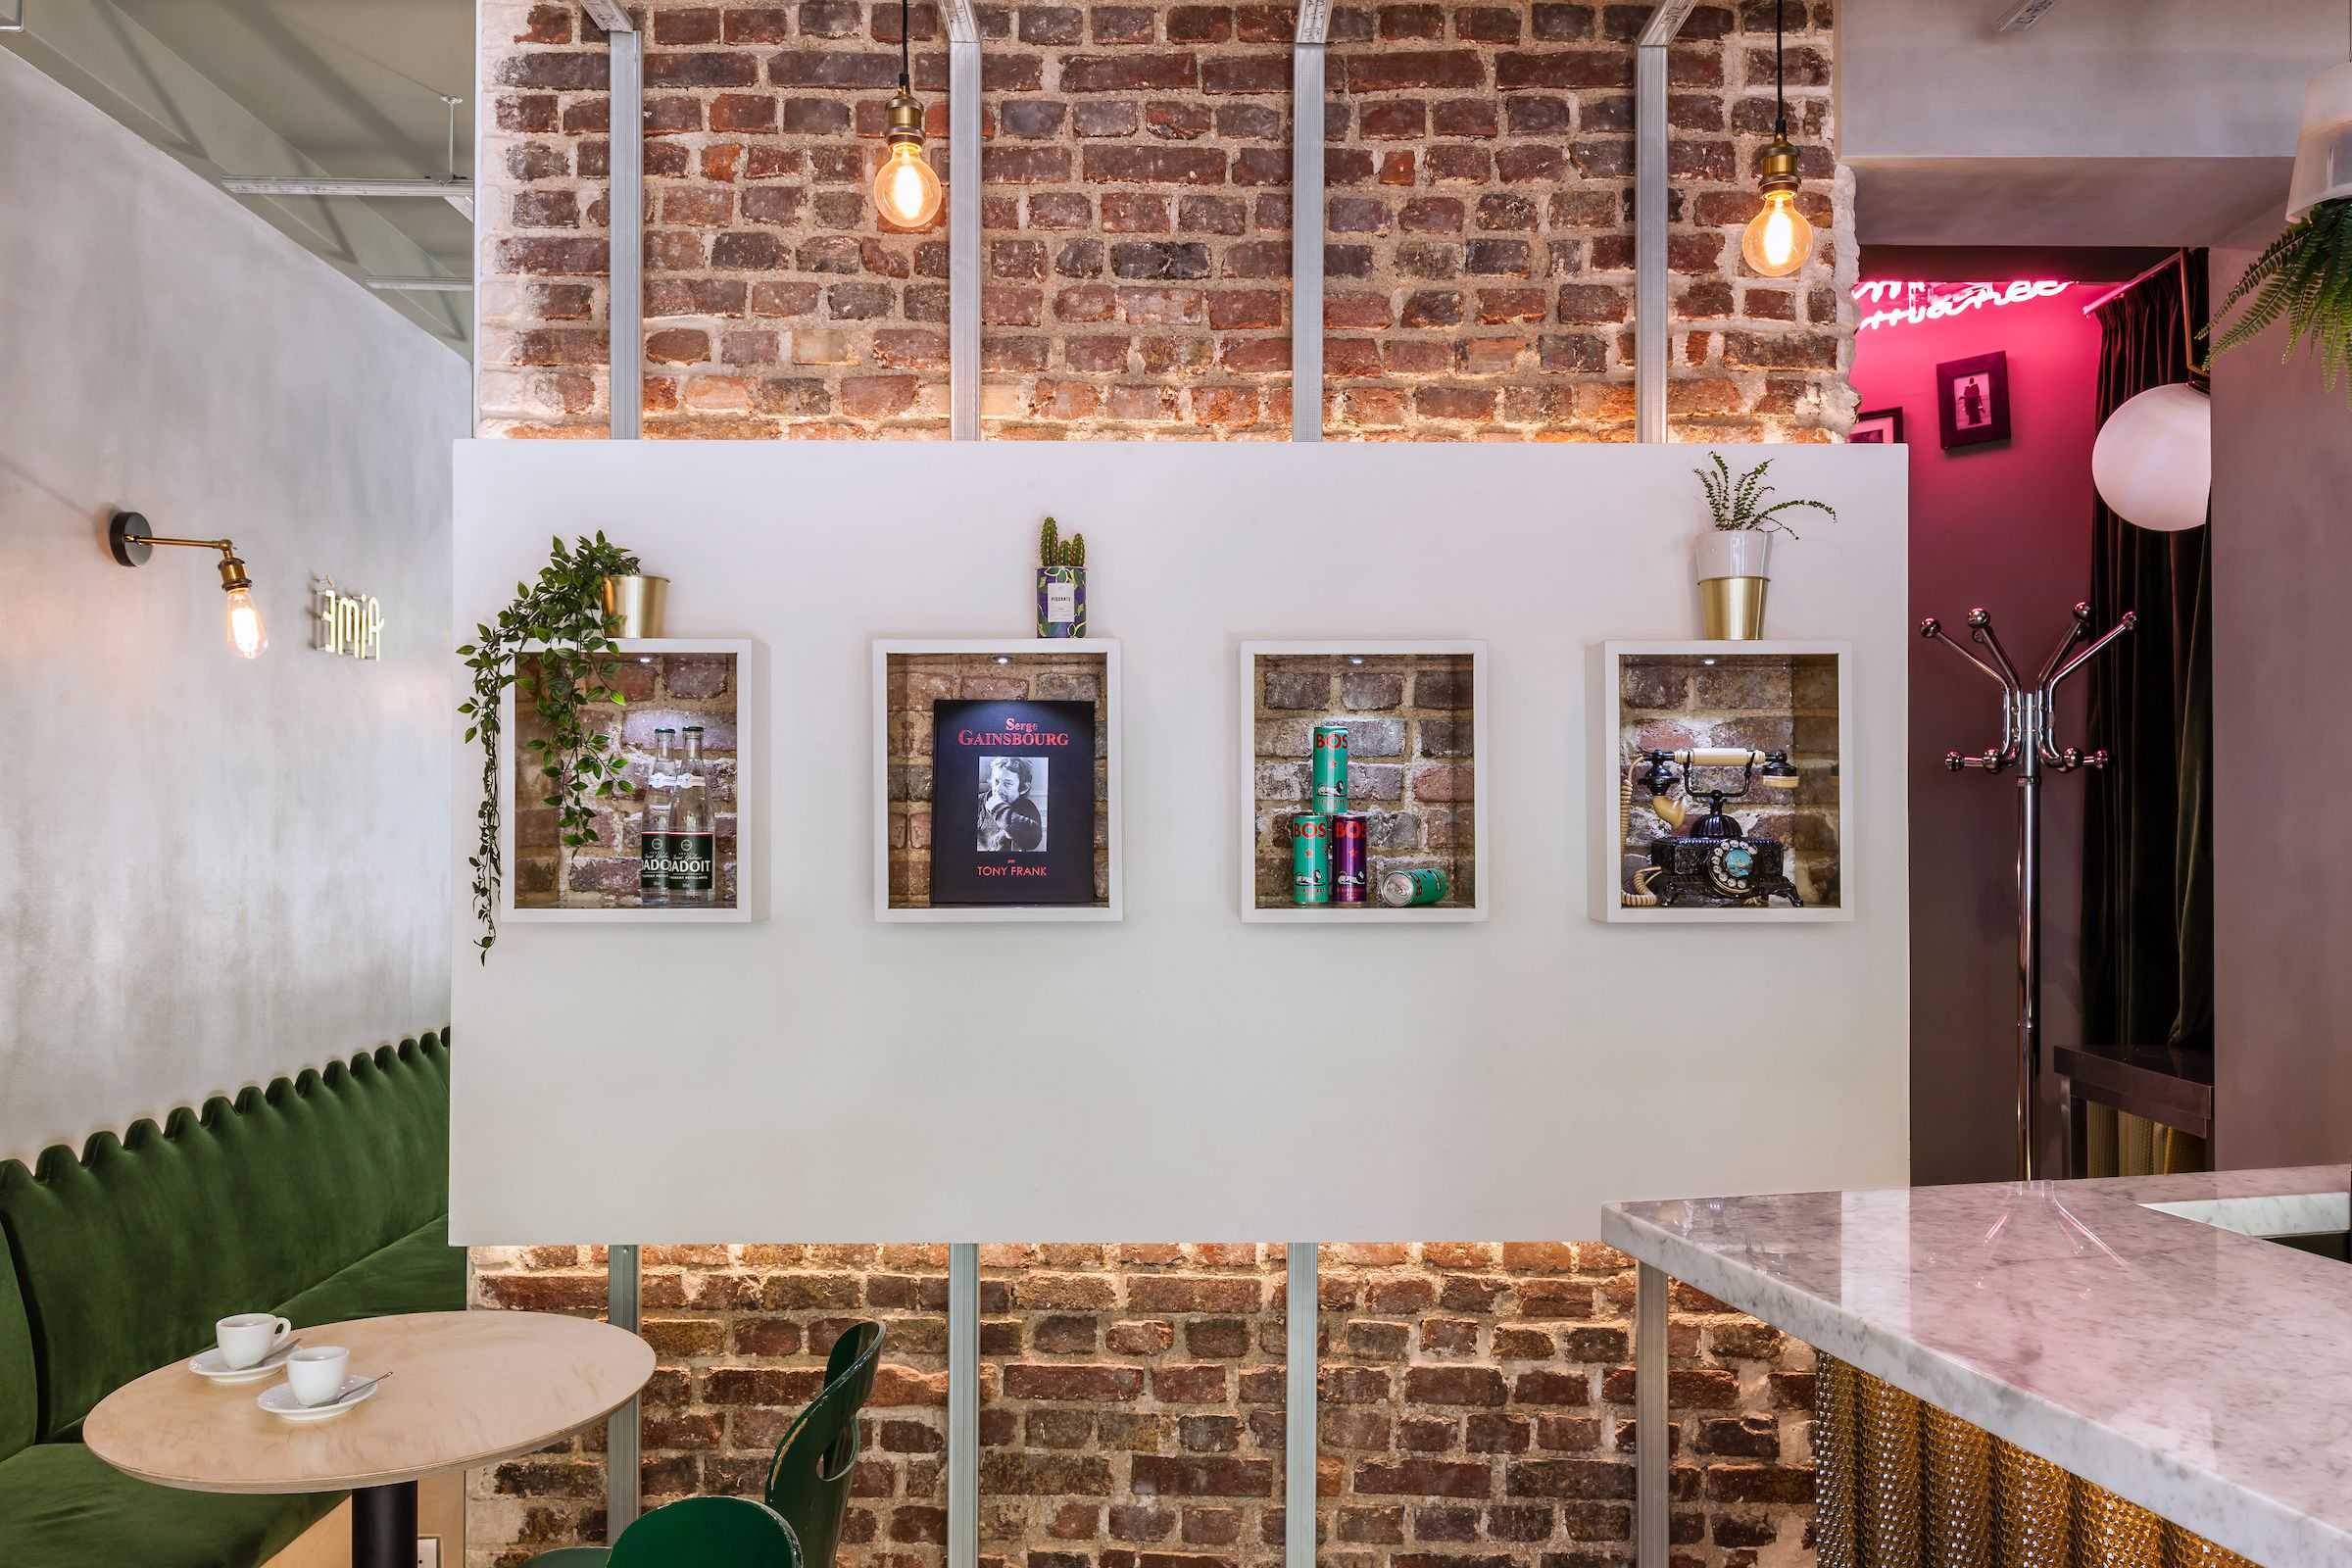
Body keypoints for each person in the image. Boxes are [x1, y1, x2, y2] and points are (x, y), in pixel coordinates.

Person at [978, 756, 1045, 852]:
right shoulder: (979, 802)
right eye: (996, 781)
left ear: (1023, 788)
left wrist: (999, 809)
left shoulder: (1027, 807)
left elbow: (1033, 841)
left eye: (1007, 784)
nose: (998, 789)